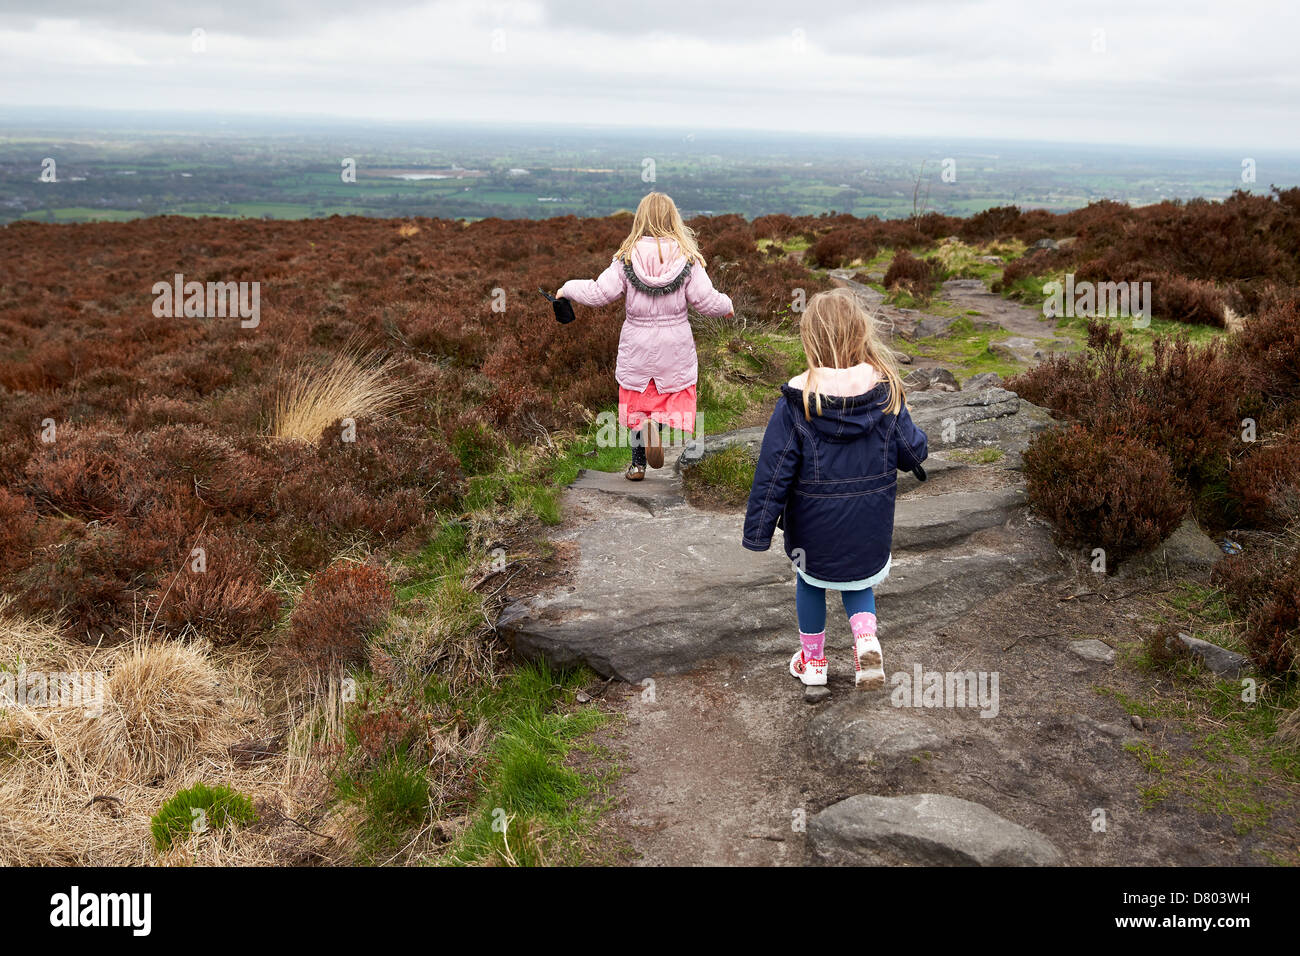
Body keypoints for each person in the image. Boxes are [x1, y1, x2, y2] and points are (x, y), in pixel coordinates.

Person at [742, 288, 928, 688]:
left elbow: (773, 472)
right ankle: (865, 642)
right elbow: (913, 450)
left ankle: (814, 664)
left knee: (811, 581)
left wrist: (758, 531)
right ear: (861, 335)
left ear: (811, 340)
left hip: (813, 529)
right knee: (859, 580)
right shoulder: (886, 394)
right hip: (870, 525)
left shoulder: (797, 403)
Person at [557, 192, 734, 480]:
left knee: (639, 402)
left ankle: (638, 465)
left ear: (641, 220)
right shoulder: (686, 257)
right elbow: (705, 299)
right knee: (667, 399)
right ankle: (657, 429)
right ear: (672, 218)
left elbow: (599, 293)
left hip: (637, 343)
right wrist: (727, 307)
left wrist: (567, 288)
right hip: (674, 345)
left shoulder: (627, 257)